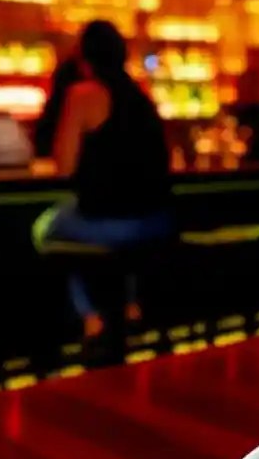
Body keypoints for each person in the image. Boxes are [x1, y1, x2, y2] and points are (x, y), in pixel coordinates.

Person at [44, 20, 174, 338]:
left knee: (46, 230)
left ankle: (89, 316)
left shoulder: (82, 94)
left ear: (83, 57)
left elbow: (64, 167)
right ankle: (129, 304)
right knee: (108, 234)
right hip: (156, 221)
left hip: (110, 224)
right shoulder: (142, 98)